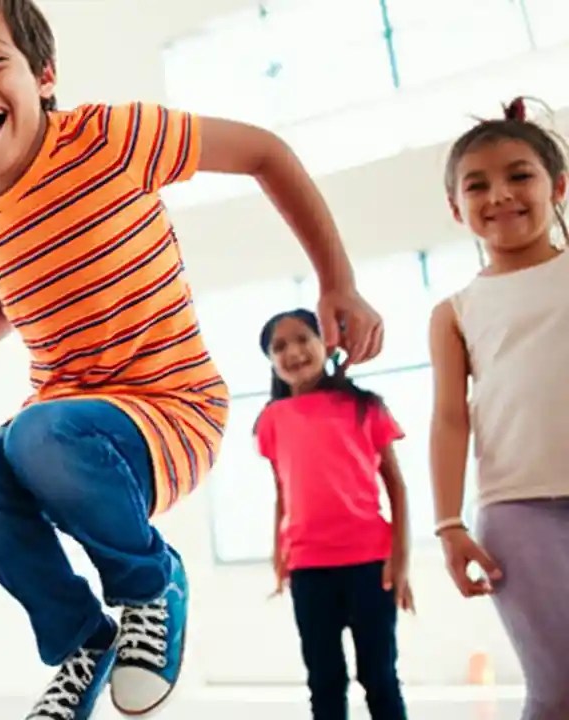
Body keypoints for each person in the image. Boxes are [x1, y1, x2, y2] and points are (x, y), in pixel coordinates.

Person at [0, 1, 384, 717]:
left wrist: (337, 280)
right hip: (63, 431)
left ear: (43, 74)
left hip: (170, 413)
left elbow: (265, 152)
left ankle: (150, 586)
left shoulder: (113, 138)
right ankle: (83, 639)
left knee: (37, 433)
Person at [428, 96, 569, 720]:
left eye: (520, 175)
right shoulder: (454, 312)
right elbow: (450, 418)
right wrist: (448, 524)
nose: (500, 195)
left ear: (558, 186)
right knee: (558, 689)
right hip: (517, 510)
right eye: (477, 185)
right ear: (457, 209)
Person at [255, 308, 412, 720]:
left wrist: (401, 560)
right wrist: (279, 556)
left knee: (379, 677)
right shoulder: (271, 420)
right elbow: (282, 493)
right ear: (271, 361)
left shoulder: (365, 407)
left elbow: (397, 487)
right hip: (308, 568)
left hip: (369, 564)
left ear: (325, 342)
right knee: (324, 681)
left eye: (303, 339)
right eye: (279, 346)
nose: (293, 352)